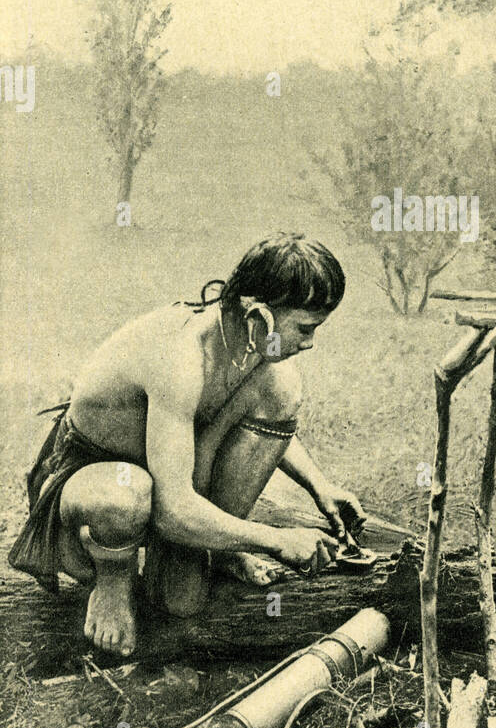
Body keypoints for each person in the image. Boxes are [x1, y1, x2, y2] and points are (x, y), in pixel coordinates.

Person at [8, 234, 365, 658]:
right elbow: (174, 508)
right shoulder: (179, 356)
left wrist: (319, 486)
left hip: (170, 468)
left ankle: (216, 549)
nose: (310, 343)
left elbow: (243, 412)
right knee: (129, 494)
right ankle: (111, 584)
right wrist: (274, 539)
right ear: (259, 317)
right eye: (305, 328)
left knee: (281, 386)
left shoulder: (244, 337)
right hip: (94, 476)